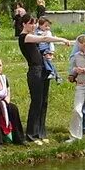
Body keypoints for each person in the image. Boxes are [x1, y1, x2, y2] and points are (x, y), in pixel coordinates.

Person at [17, 13, 71, 143]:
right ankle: (31, 134)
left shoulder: (33, 35)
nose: (33, 25)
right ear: (24, 24)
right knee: (36, 102)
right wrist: (62, 40)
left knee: (43, 102)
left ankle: (41, 133)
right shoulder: (25, 37)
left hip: (43, 70)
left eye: (34, 23)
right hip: (35, 71)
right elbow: (45, 40)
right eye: (30, 23)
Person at [37, 16, 58, 82]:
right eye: (46, 26)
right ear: (40, 25)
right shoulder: (37, 32)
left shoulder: (48, 33)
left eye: (48, 26)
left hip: (46, 49)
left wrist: (52, 51)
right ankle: (56, 75)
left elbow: (50, 42)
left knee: (47, 60)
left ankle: (52, 72)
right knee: (45, 61)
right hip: (40, 50)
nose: (47, 28)